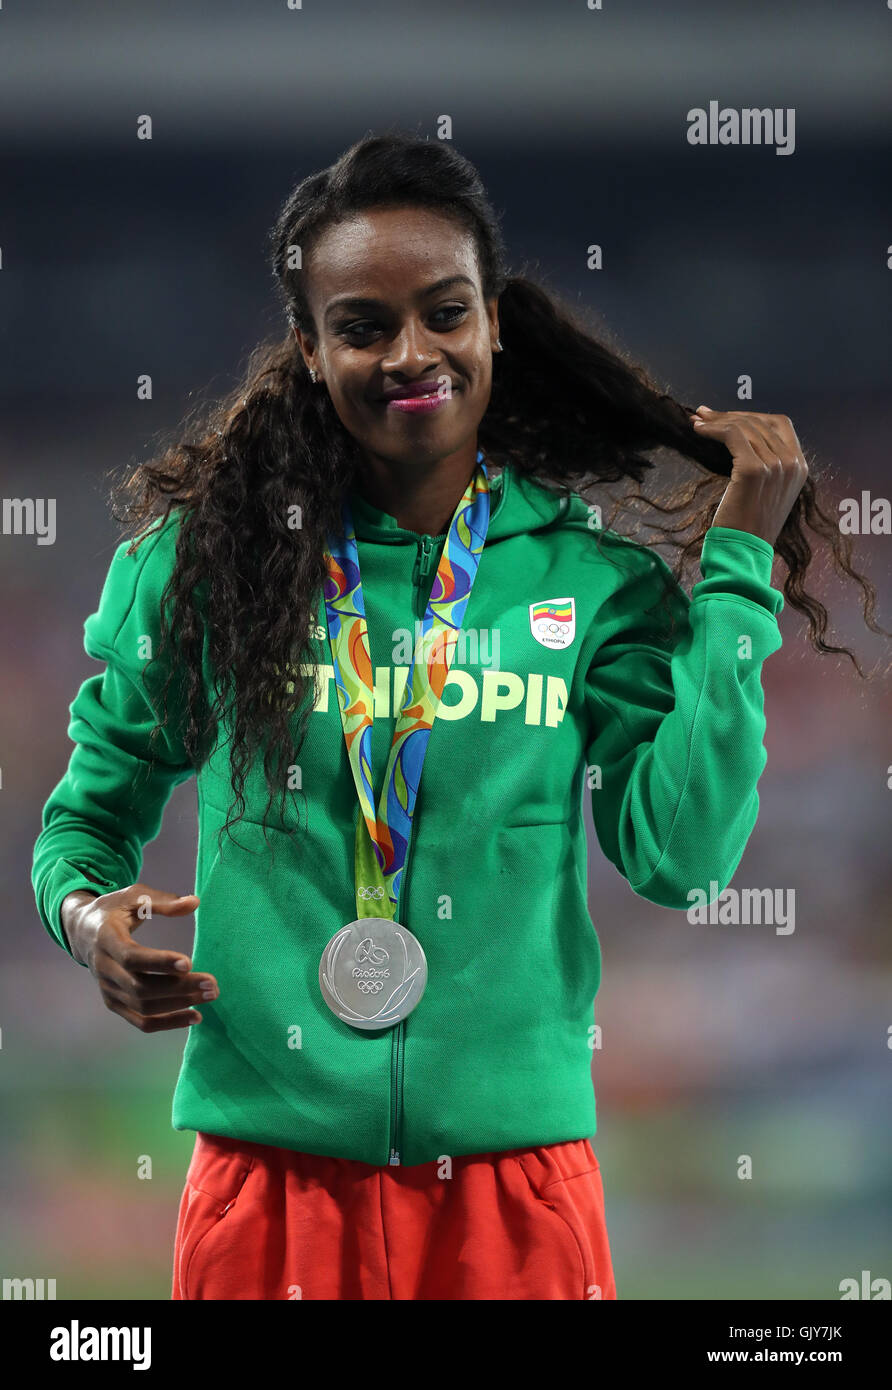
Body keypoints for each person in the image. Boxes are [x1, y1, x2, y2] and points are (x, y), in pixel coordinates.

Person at [31, 131, 881, 1302]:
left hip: (514, 1196)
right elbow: (82, 825)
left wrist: (736, 564)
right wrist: (87, 923)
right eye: (364, 326)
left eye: (444, 312)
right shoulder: (204, 566)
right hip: (267, 1185)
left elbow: (681, 860)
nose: (411, 352)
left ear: (493, 325)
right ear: (311, 349)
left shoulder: (590, 585)